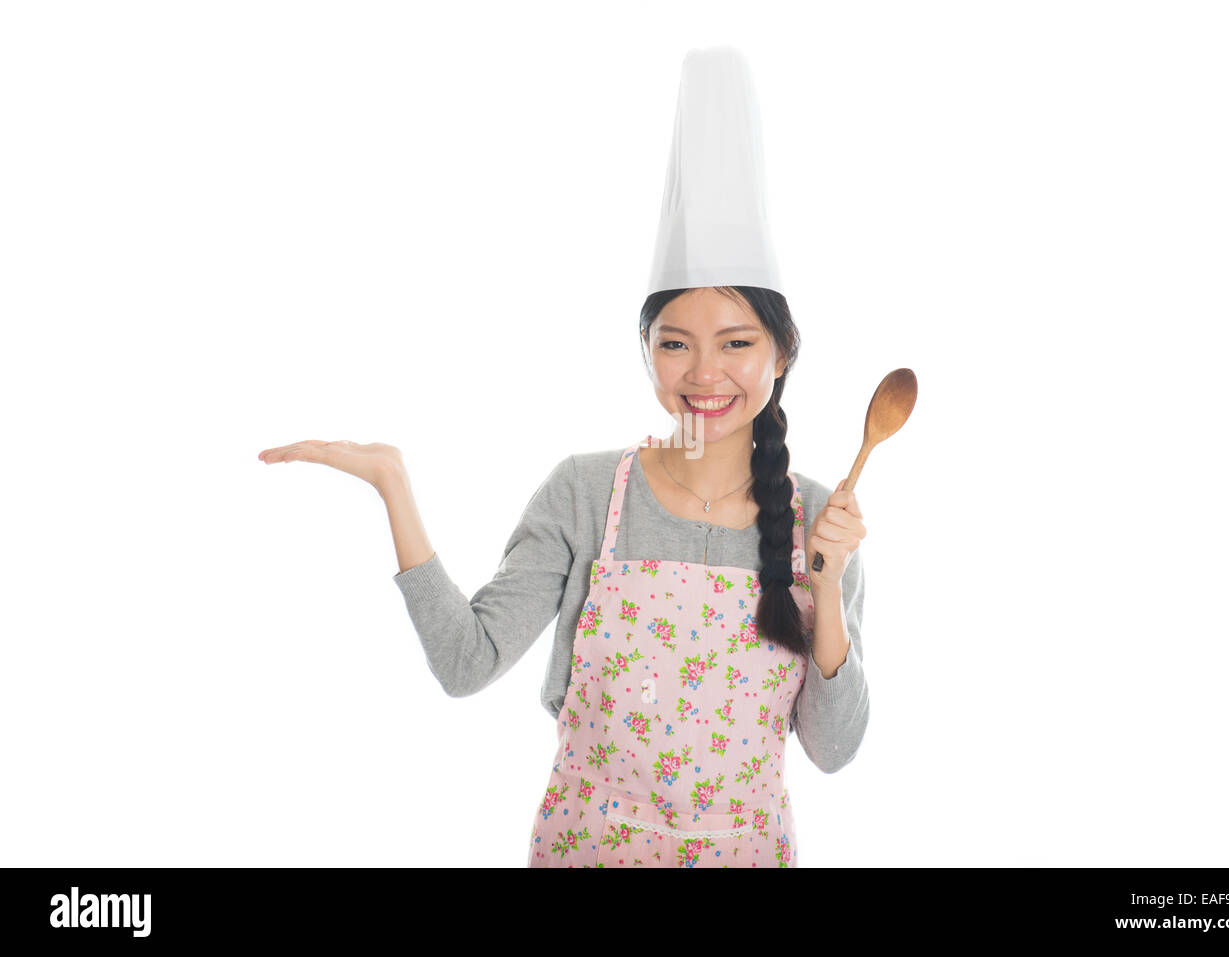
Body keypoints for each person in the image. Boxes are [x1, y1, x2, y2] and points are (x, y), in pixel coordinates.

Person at [258, 47, 871, 868]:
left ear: (782, 353)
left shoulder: (821, 518)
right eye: (675, 343)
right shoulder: (587, 493)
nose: (704, 374)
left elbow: (833, 750)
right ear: (647, 350)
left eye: (736, 342)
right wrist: (393, 485)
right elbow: (466, 663)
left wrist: (826, 583)